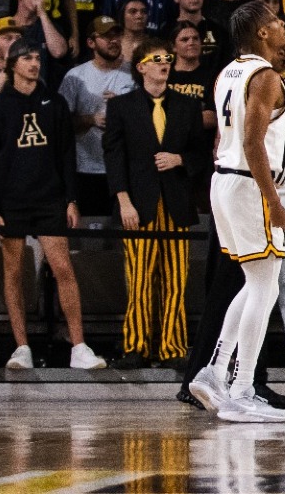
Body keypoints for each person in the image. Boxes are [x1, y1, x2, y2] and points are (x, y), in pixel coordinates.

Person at [188, 1, 285, 422]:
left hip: (225, 180)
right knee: (265, 287)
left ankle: (215, 372)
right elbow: (253, 142)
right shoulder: (265, 75)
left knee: (254, 283)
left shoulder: (227, 73)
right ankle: (243, 389)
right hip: (249, 183)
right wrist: (273, 200)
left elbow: (225, 139)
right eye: (276, 22)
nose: (283, 26)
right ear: (263, 33)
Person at [0, 43, 107, 371]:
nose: (35, 63)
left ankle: (78, 346)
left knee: (63, 268)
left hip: (50, 198)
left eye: (37, 58)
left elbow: (67, 154)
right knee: (13, 273)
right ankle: (21, 346)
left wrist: (71, 199)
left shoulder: (55, 102)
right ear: (12, 65)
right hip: (12, 203)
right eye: (27, 58)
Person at [104, 41, 208, 368]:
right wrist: (123, 201)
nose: (164, 63)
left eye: (167, 59)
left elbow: (201, 155)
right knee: (139, 278)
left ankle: (172, 348)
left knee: (176, 279)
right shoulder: (122, 106)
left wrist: (181, 159)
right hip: (139, 203)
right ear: (141, 66)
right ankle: (135, 347)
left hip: (176, 202)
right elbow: (115, 158)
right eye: (157, 59)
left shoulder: (187, 106)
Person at [58, 17, 137, 215]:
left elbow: (148, 120)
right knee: (88, 237)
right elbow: (60, 124)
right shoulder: (75, 76)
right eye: (106, 36)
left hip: (124, 169)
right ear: (91, 42)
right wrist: (91, 119)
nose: (113, 40)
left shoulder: (135, 74)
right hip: (85, 170)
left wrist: (123, 109)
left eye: (116, 35)